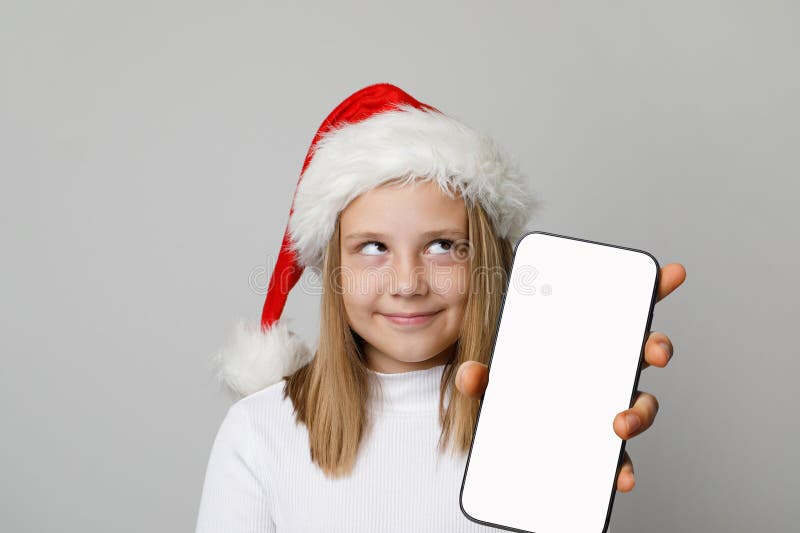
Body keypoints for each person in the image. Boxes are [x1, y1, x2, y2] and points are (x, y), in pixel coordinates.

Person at [194, 83, 686, 532]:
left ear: (487, 261)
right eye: (372, 247)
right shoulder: (261, 431)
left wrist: (582, 419)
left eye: (443, 246)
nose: (407, 284)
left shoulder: (533, 418)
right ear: (333, 269)